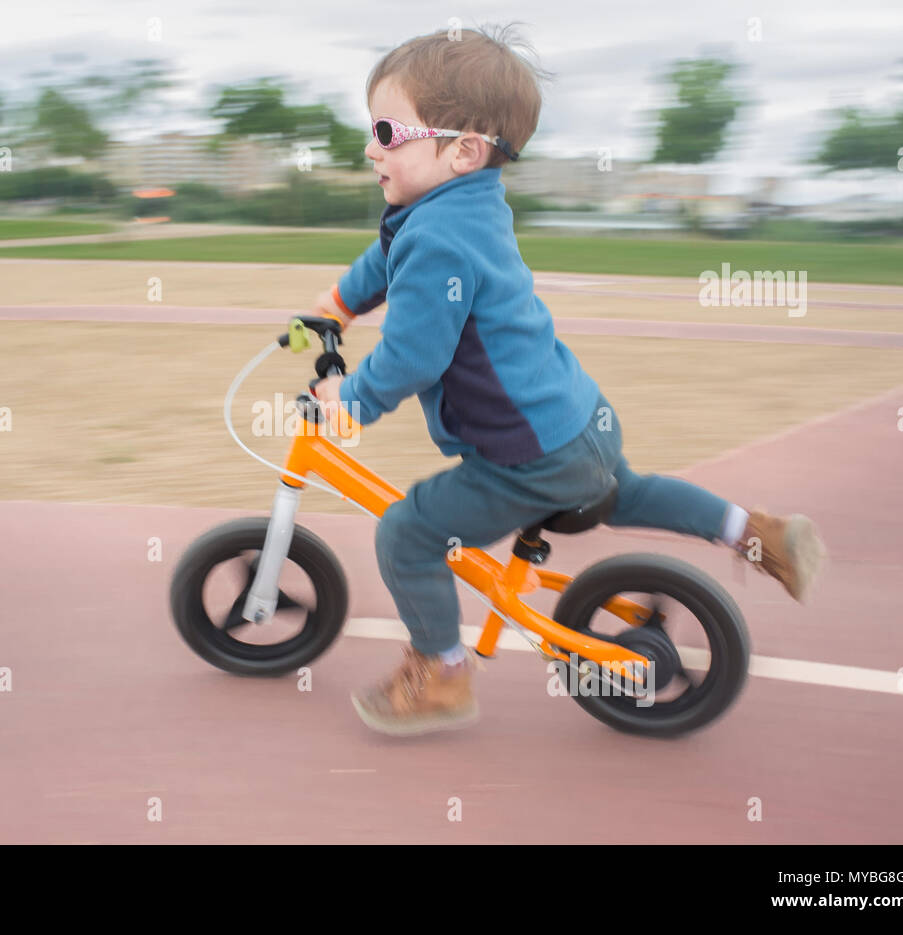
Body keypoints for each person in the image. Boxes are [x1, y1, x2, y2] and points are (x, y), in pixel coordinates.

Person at [307, 25, 827, 737]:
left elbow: (414, 355)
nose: (371, 147)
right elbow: (387, 252)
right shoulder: (461, 205)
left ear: (462, 148)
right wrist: (338, 304)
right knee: (626, 491)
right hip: (580, 419)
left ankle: (444, 674)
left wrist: (351, 403)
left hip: (529, 454)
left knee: (407, 532)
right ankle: (758, 533)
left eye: (389, 131)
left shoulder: (436, 234)